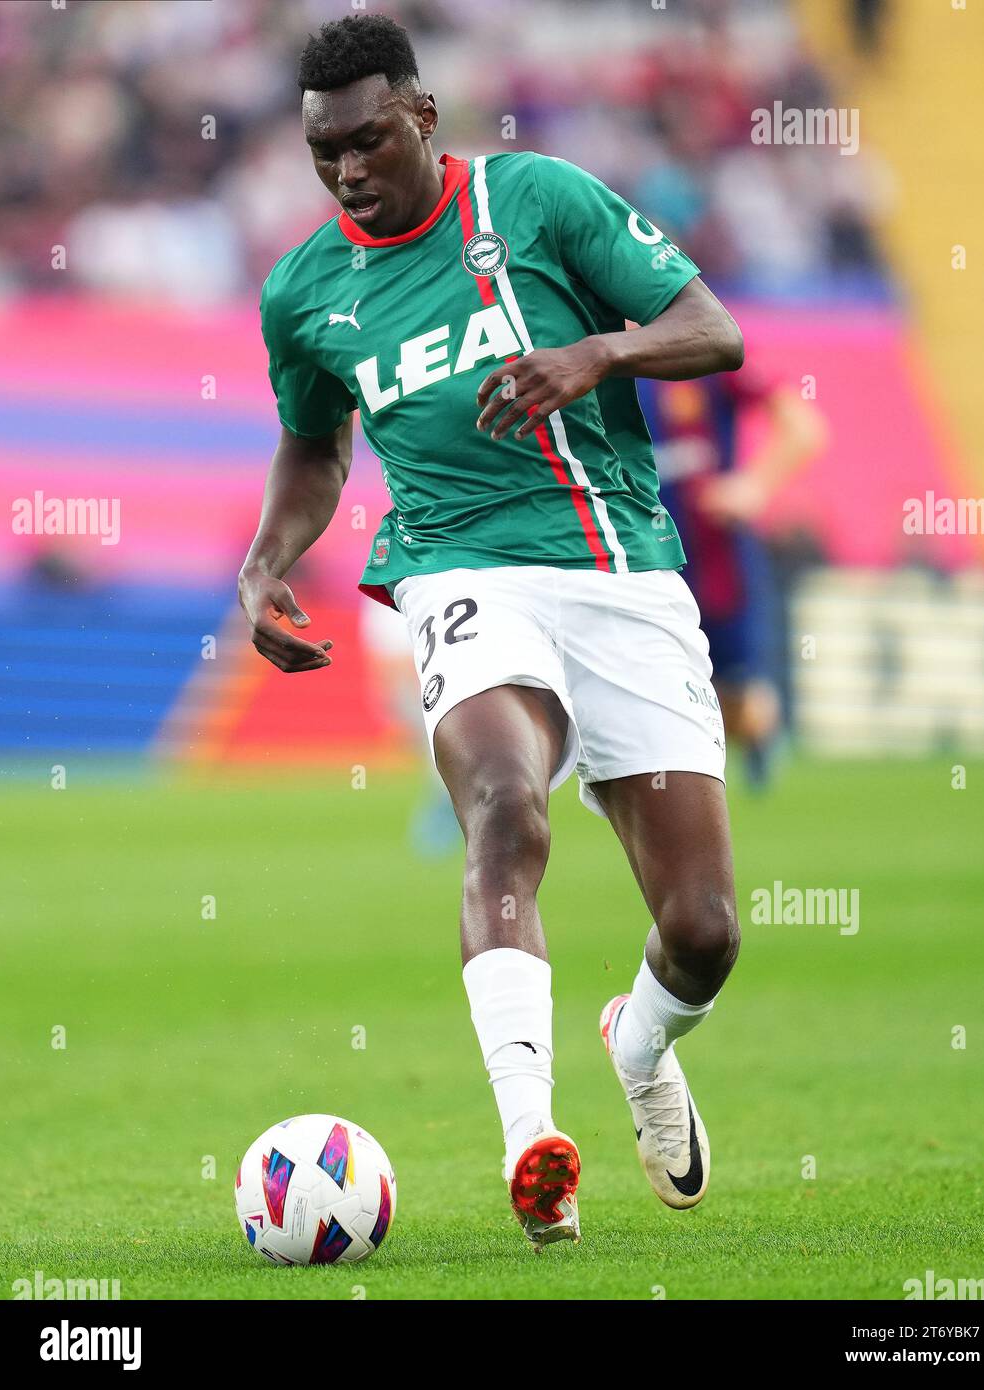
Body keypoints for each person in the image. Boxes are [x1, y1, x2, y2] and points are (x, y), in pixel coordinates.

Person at [238, 15, 744, 1250]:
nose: (347, 171)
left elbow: (712, 331)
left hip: (622, 570)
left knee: (703, 929)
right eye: (323, 155)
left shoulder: (535, 200)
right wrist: (263, 564)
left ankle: (637, 1041)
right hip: (457, 570)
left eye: (365, 141)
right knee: (504, 812)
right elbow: (315, 444)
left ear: (419, 114)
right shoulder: (304, 292)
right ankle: (534, 1148)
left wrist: (594, 356)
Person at [638, 369, 826, 785]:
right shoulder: (590, 354)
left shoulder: (701, 349)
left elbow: (805, 427)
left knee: (738, 700)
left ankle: (757, 734)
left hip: (715, 559)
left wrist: (753, 486)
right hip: (640, 562)